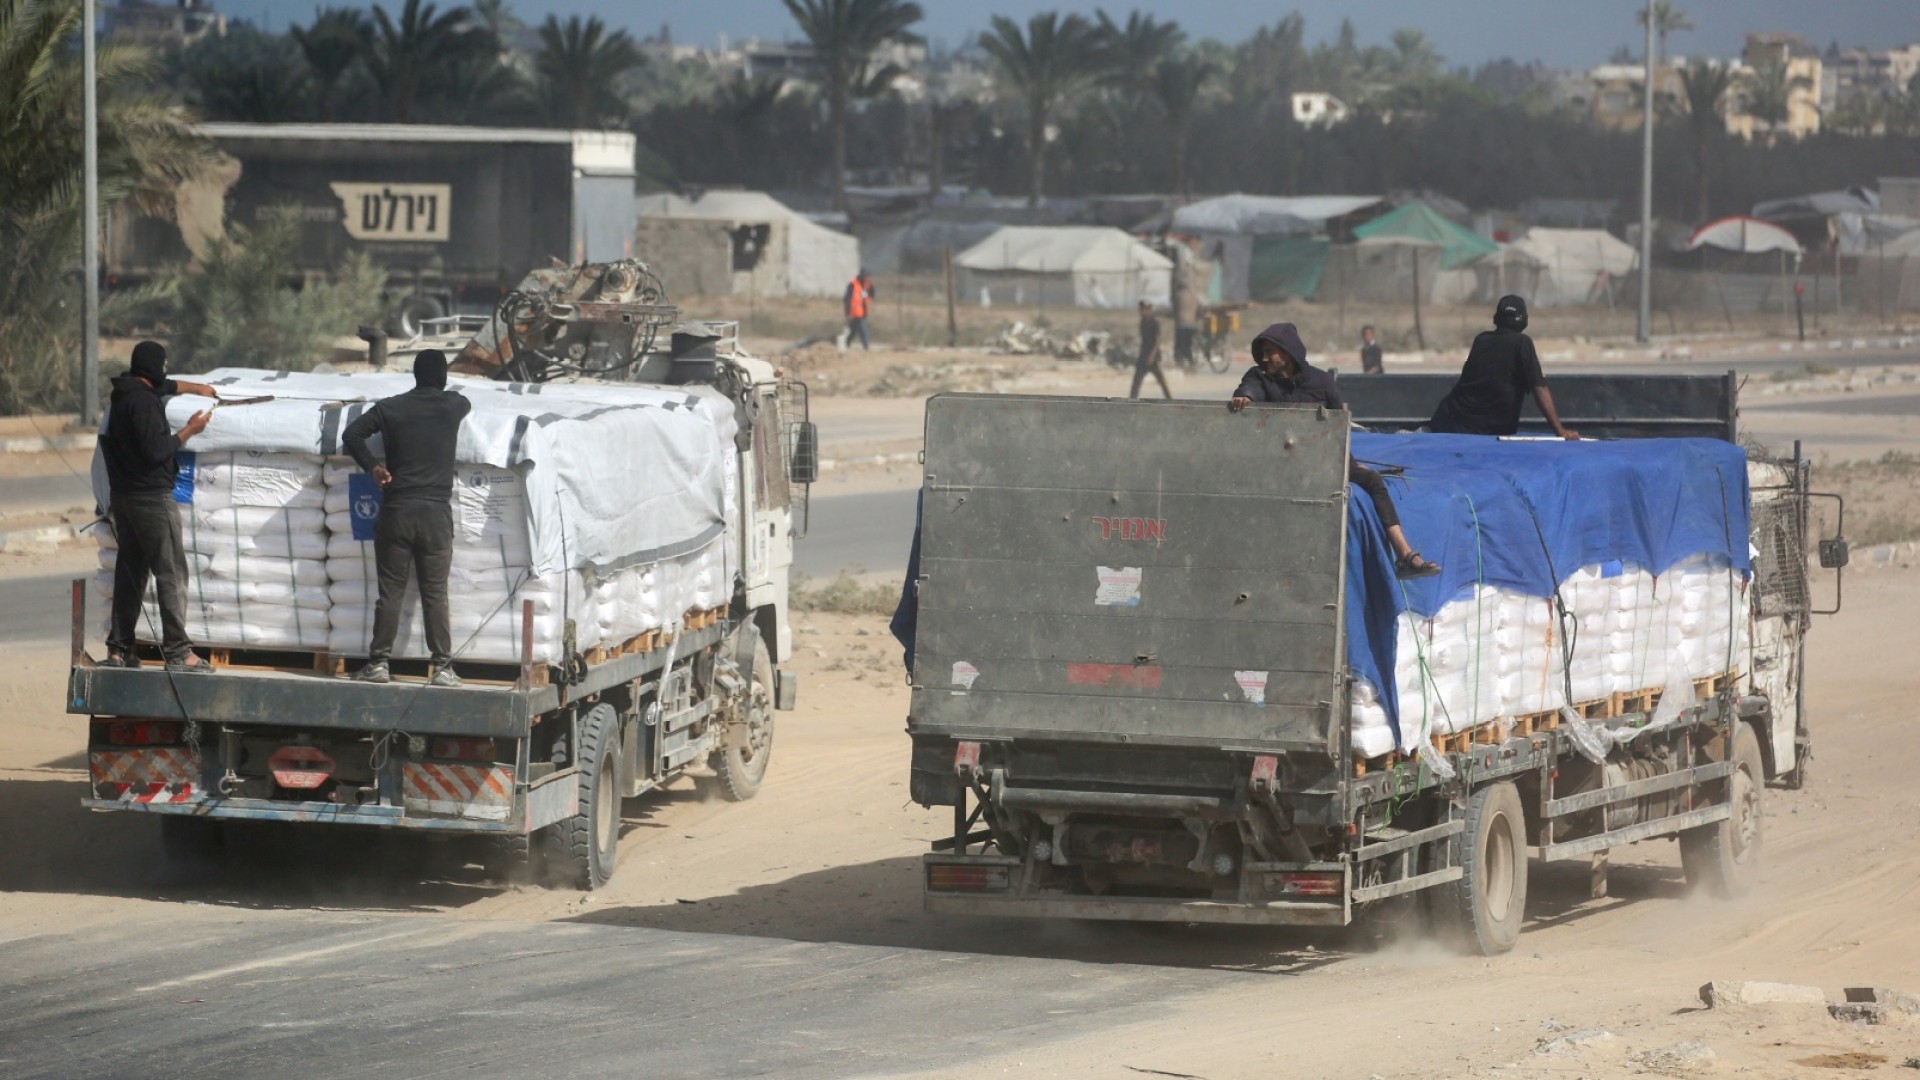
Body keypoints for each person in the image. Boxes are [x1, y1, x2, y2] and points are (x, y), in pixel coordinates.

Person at [1229, 323, 1441, 579]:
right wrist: (1246, 397)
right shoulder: (1259, 377)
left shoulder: (1321, 382)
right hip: (1283, 465)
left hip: (1326, 459)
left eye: (1270, 352)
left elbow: (1340, 427)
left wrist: (1350, 463)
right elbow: (1249, 389)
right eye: (1262, 352)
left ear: (1287, 353)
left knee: (1373, 481)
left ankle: (1405, 555)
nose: (1264, 358)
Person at [343, 350, 473, 686]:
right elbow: (463, 402)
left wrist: (373, 467)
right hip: (435, 516)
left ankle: (378, 664)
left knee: (391, 592)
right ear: (442, 377)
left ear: (414, 375)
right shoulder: (455, 405)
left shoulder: (390, 408)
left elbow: (351, 435)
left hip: (397, 511)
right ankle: (443, 667)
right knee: (435, 593)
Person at [101, 341, 218, 670]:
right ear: (153, 369)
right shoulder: (144, 404)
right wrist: (189, 431)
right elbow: (156, 451)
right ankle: (179, 652)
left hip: (124, 500)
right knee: (171, 573)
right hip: (151, 499)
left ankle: (119, 650)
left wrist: (198, 388)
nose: (165, 373)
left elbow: (166, 385)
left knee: (132, 574)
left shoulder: (125, 392)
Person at [1428, 295, 1579, 439]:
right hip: (1478, 429)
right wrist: (1560, 430)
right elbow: (1539, 388)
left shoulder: (1481, 340)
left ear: (1497, 319)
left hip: (1450, 421)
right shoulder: (1522, 343)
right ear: (1523, 319)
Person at [1129, 299, 1171, 400]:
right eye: (1142, 309)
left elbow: (1157, 340)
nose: (1143, 312)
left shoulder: (1154, 323)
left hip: (1153, 356)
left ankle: (1170, 399)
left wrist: (1152, 356)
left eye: (1145, 309)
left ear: (1149, 310)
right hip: (1144, 355)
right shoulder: (1143, 322)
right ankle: (1131, 400)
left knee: (1161, 380)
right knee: (1137, 380)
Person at [844, 269, 875, 351]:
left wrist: (870, 290)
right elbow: (847, 299)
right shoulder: (853, 284)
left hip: (863, 313)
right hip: (855, 313)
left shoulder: (867, 284)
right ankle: (866, 347)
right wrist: (848, 313)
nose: (867, 277)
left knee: (853, 332)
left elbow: (872, 294)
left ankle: (845, 344)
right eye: (865, 275)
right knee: (864, 331)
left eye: (868, 275)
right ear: (861, 275)